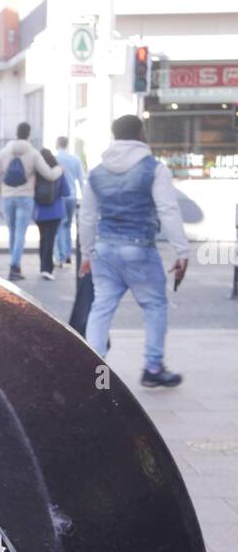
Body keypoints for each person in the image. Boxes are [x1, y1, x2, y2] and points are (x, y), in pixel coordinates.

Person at [80, 113, 189, 389]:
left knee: (101, 307)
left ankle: (95, 375)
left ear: (114, 136)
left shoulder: (97, 172)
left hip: (104, 248)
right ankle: (153, 368)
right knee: (154, 305)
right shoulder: (154, 169)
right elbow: (167, 209)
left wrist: (86, 253)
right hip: (138, 248)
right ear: (141, 134)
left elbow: (87, 216)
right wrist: (181, 251)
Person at [0, 121, 62, 280]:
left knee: (12, 231)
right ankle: (14, 266)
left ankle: (15, 264)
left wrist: (2, 191)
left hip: (7, 196)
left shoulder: (4, 152)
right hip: (25, 197)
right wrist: (59, 169)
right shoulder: (33, 153)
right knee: (20, 233)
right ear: (29, 134)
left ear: (16, 133)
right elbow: (49, 174)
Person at [33, 148, 67, 280]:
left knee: (42, 239)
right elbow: (66, 192)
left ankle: (43, 267)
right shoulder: (58, 172)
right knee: (50, 240)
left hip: (39, 212)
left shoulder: (36, 173)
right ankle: (47, 268)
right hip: (55, 211)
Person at [55, 136, 85, 266]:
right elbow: (81, 178)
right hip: (72, 196)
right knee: (67, 226)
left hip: (60, 196)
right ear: (67, 144)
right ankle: (67, 254)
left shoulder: (55, 159)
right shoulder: (75, 159)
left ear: (58, 144)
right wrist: (84, 197)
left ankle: (61, 255)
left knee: (60, 225)